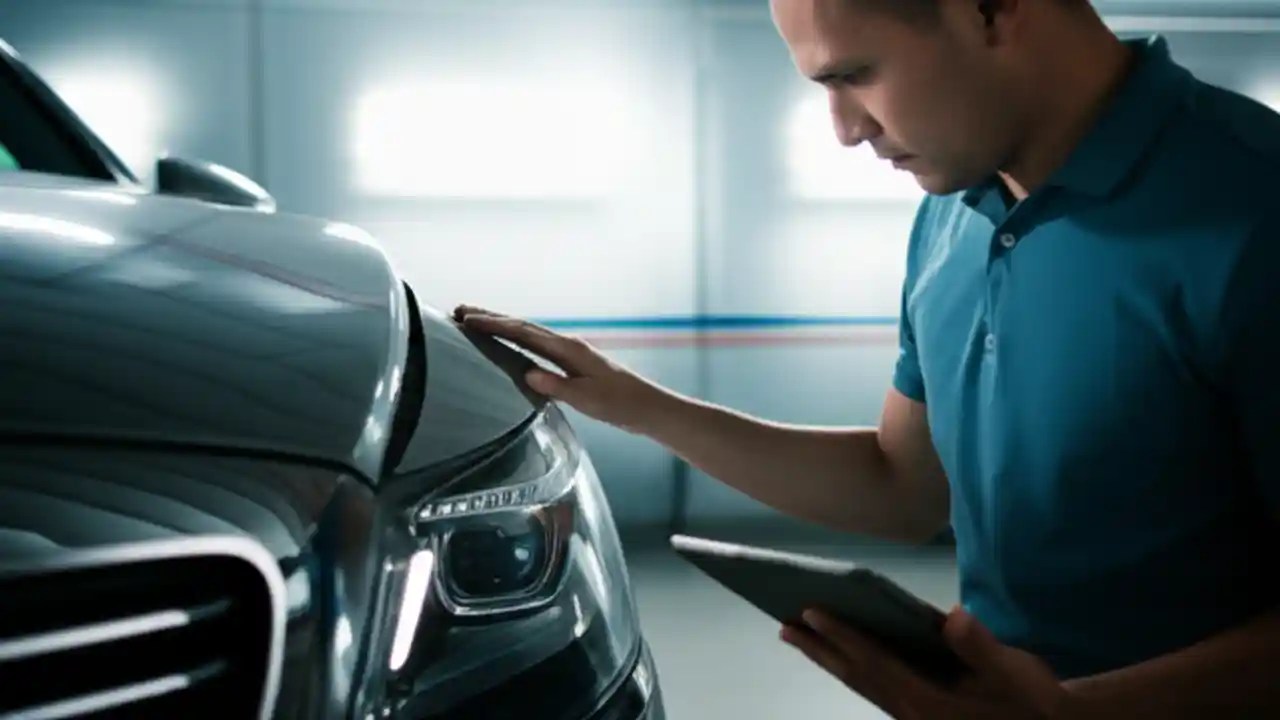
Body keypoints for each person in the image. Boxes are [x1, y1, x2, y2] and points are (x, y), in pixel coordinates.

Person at [455, 0, 1280, 716]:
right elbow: (904, 486)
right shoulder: (950, 218)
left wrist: (1074, 716)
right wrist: (635, 405)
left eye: (855, 75)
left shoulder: (1255, 205)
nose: (846, 130)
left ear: (989, 9)